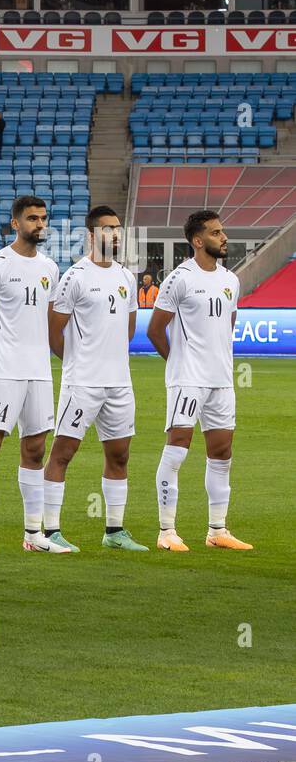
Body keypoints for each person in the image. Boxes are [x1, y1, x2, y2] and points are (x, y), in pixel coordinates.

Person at [41, 205, 147, 552]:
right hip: (82, 382)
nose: (114, 234)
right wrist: (76, 363)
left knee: (119, 456)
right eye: (106, 229)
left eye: (117, 228)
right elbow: (54, 333)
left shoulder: (126, 277)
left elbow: (128, 329)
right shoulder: (75, 276)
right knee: (63, 453)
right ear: (91, 235)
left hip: (119, 383)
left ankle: (114, 531)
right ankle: (49, 531)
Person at [0, 196, 65, 556]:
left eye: (42, 218)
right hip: (4, 371)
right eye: (32, 219)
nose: (39, 224)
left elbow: (52, 323)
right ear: (15, 224)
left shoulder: (51, 268)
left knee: (35, 449)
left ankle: (33, 534)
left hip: (39, 372)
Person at [147, 211, 251, 552]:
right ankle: (166, 532)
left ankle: (217, 531)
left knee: (222, 454)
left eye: (222, 231)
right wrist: (180, 363)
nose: (224, 237)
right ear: (197, 240)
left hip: (221, 379)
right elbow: (155, 330)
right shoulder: (180, 279)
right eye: (216, 232)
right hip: (188, 380)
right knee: (177, 449)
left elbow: (228, 325)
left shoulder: (230, 280)